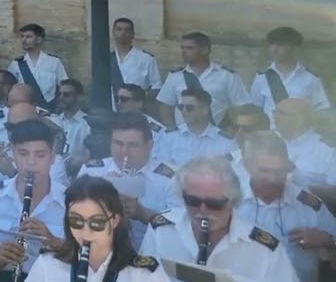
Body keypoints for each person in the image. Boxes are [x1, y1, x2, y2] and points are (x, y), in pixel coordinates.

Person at [139, 156, 300, 282]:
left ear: (233, 201)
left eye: (214, 203)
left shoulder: (266, 249)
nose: (202, 211)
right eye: (193, 201)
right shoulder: (160, 228)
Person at [0, 119, 67, 281]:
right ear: (13, 153)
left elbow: (87, 258)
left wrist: (53, 241)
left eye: (40, 155)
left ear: (52, 157)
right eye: (23, 153)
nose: (31, 163)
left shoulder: (70, 201)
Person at [25, 176, 172, 281]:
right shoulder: (48, 263)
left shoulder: (144, 274)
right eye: (76, 221)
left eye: (97, 223)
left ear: (115, 220)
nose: (85, 231)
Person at [236, 131, 336, 282]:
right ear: (246, 165)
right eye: (265, 171)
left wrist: (326, 240)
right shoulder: (231, 202)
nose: (273, 179)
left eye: (280, 171)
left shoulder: (306, 202)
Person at [78, 113, 180, 246]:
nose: (124, 151)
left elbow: (180, 230)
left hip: (150, 253)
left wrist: (143, 213)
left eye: (132, 145)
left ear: (149, 146)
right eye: (118, 143)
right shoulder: (92, 172)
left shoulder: (169, 180)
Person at [156, 32, 250, 128]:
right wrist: (172, 131)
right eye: (182, 48)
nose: (183, 52)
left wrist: (232, 132)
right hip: (183, 136)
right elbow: (166, 106)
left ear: (204, 50)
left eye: (189, 48)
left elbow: (241, 107)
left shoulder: (227, 76)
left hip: (217, 136)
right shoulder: (175, 76)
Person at [249, 27, 329, 117]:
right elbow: (255, 110)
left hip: (301, 130)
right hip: (271, 130)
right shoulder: (261, 77)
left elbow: (321, 110)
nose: (274, 49)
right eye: (272, 44)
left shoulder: (311, 78)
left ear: (295, 48)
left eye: (280, 45)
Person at [161, 88, 235, 168]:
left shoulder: (225, 141)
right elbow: (162, 173)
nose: (184, 111)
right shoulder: (169, 137)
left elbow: (230, 173)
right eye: (181, 107)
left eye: (189, 108)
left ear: (205, 110)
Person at [6, 24, 67, 110]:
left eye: (28, 37)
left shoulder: (54, 62)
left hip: (50, 110)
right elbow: (8, 89)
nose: (24, 40)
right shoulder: (16, 64)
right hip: (25, 109)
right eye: (22, 36)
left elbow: (64, 85)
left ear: (39, 39)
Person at [110, 18, 162, 106]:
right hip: (110, 110)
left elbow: (157, 87)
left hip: (137, 110)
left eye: (127, 30)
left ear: (132, 34)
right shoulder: (106, 60)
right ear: (113, 33)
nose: (123, 33)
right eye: (119, 29)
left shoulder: (146, 59)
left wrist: (141, 97)